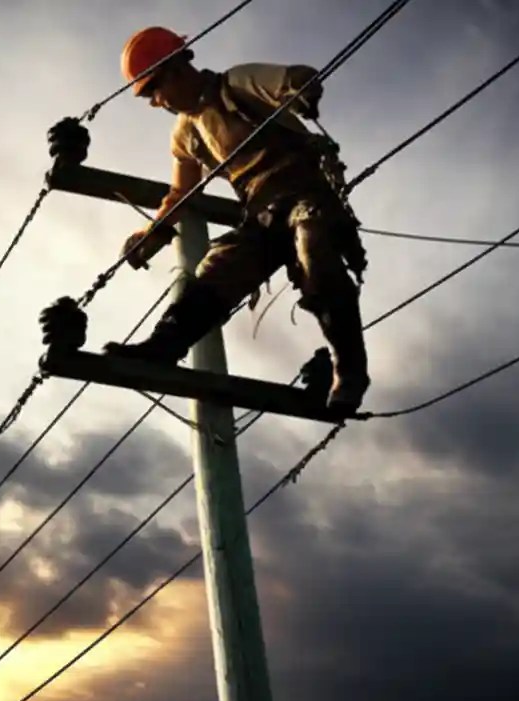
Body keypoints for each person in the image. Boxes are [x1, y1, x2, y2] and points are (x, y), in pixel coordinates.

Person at [101, 25, 371, 412]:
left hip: (307, 195)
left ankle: (349, 372)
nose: (155, 102)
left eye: (153, 90)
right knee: (219, 269)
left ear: (177, 69)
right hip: (261, 213)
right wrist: (153, 232)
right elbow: (182, 193)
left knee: (314, 247)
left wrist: (302, 91)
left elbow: (294, 78)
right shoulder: (186, 135)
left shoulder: (236, 85)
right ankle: (161, 348)